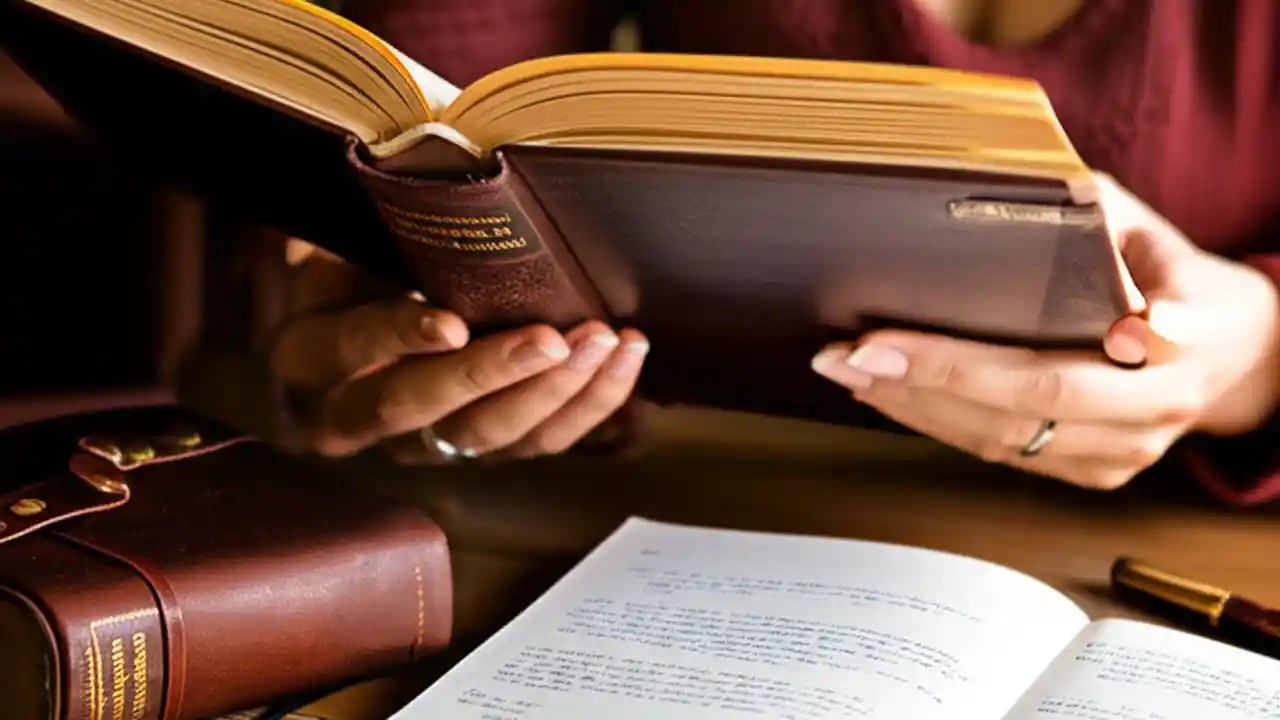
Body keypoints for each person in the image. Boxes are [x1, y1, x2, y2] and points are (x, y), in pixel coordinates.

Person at [268, 0, 1280, 506]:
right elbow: (435, 122)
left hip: (1154, 560)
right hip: (649, 505)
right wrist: (391, 308)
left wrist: (1257, 358)